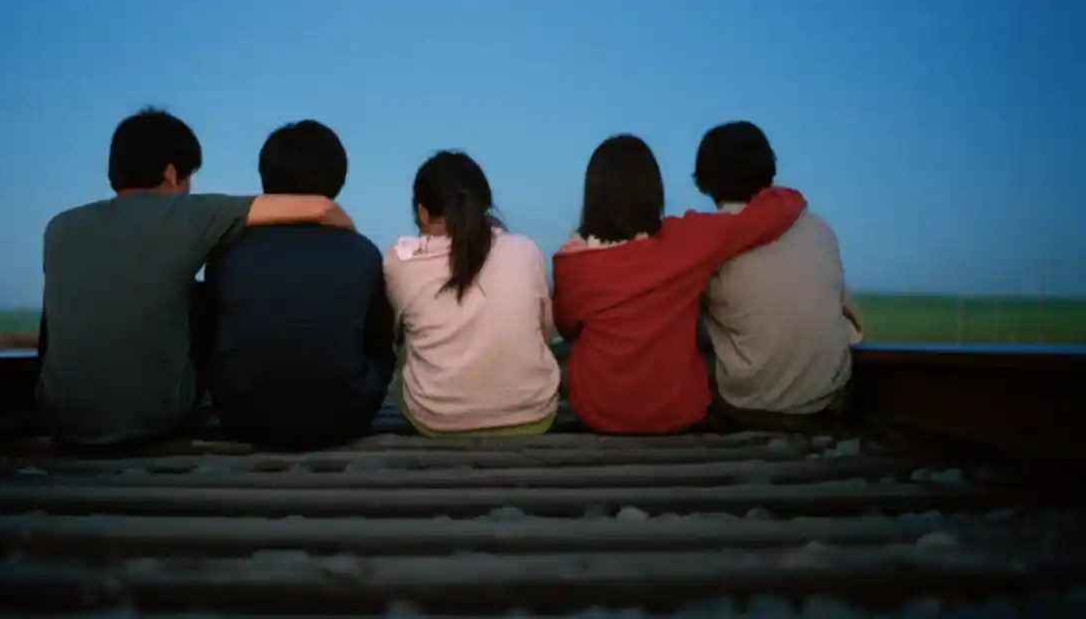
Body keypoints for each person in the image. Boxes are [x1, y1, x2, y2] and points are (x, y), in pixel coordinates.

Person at [37, 108, 352, 446]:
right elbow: (319, 206)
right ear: (172, 174)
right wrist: (350, 244)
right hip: (157, 417)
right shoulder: (189, 212)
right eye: (189, 178)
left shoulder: (60, 226)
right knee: (204, 295)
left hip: (60, 417)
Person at [553, 134, 807, 434]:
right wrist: (788, 196)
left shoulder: (572, 263)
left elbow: (567, 327)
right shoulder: (688, 240)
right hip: (678, 411)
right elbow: (763, 219)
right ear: (654, 191)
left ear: (592, 196)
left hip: (599, 412)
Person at [207, 120, 394, 449]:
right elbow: (378, 343)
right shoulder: (362, 253)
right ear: (338, 179)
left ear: (266, 178)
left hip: (243, 417)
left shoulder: (227, 252)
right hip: (343, 417)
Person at [694, 121, 864, 426]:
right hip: (828, 396)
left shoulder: (707, 239)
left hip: (749, 403)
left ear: (704, 178)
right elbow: (846, 316)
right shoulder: (817, 227)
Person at [384, 151, 560, 436]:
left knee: (407, 351)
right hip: (532, 414)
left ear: (422, 212)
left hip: (437, 421)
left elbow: (391, 334)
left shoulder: (401, 261)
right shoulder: (525, 250)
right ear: (485, 206)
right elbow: (546, 333)